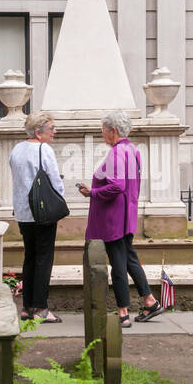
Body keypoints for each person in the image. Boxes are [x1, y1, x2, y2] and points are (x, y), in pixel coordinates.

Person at [78, 111, 164, 329]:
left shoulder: (117, 153)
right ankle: (149, 301)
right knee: (129, 259)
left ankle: (123, 312)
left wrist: (92, 193)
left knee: (118, 264)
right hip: (126, 215)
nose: (102, 134)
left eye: (103, 130)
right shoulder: (133, 151)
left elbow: (117, 186)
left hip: (112, 219)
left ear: (112, 130)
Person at [9, 111, 65, 323]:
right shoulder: (44, 149)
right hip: (42, 212)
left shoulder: (17, 149)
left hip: (23, 212)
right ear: (38, 132)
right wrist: (59, 200)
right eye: (51, 128)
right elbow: (55, 181)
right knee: (44, 258)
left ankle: (26, 307)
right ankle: (40, 307)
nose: (55, 132)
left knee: (30, 257)